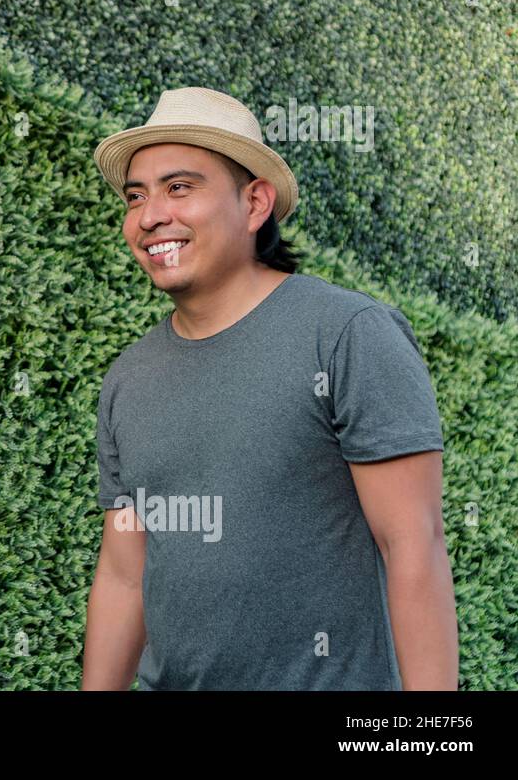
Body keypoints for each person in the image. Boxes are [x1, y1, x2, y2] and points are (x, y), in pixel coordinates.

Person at [80, 86, 457, 690]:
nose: (149, 217)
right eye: (136, 196)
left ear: (255, 202)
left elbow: (413, 545)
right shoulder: (128, 377)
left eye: (180, 187)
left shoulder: (347, 335)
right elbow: (126, 574)